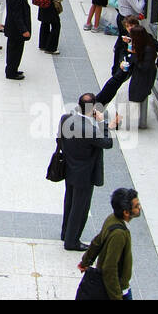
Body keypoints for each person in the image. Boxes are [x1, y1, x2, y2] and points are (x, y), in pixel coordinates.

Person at [59, 94, 115, 250]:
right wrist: (103, 123)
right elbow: (107, 143)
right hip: (84, 174)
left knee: (69, 202)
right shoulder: (90, 129)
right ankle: (72, 241)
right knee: (80, 208)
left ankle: (66, 233)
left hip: (69, 169)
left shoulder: (66, 119)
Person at [77, 188, 141, 300]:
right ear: (126, 212)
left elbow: (97, 242)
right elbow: (109, 268)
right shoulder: (119, 234)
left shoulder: (111, 218)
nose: (139, 208)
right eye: (136, 206)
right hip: (119, 289)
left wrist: (85, 261)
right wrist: (117, 296)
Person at [126, 24, 158, 130]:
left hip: (144, 77)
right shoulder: (145, 45)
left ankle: (141, 122)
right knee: (141, 96)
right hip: (141, 75)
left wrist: (134, 57)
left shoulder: (148, 49)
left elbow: (144, 67)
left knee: (140, 95)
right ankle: (142, 121)